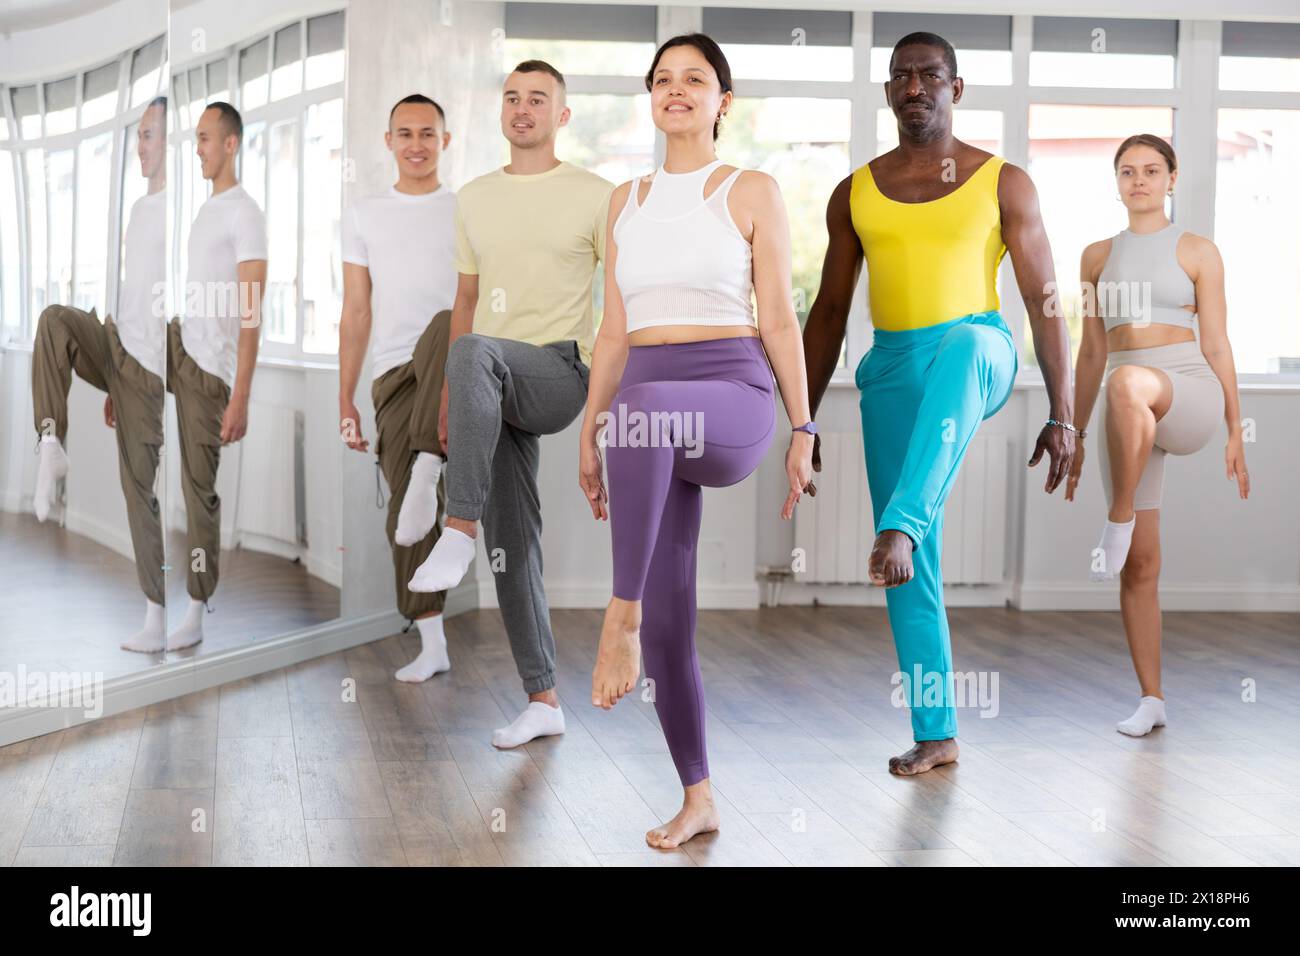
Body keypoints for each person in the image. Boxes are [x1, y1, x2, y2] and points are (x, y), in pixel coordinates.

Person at [802, 31, 1076, 775]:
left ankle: (902, 523)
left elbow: (1045, 302)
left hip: (979, 349)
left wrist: (1064, 413)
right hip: (890, 368)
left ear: (959, 86)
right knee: (909, 570)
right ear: (888, 91)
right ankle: (937, 732)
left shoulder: (1003, 181)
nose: (915, 87)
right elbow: (828, 311)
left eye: (930, 75)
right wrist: (800, 416)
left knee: (958, 356)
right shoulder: (853, 190)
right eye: (901, 77)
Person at [578, 33, 815, 850]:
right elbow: (613, 332)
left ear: (724, 101)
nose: (676, 90)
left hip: (733, 396)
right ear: (651, 97)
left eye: (696, 80)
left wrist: (803, 425)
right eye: (663, 80)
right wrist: (588, 431)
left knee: (640, 415)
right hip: (645, 415)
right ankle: (698, 796)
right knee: (674, 622)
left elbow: (780, 317)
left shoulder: (748, 190)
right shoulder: (624, 199)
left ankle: (617, 616)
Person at [405, 61, 612, 749]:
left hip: (555, 370)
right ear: (501, 112)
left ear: (563, 116)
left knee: (473, 352)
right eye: (512, 98)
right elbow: (465, 300)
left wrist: (603, 413)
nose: (523, 109)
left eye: (539, 100)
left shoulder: (597, 195)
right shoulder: (475, 197)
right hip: (485, 383)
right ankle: (544, 699)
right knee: (514, 543)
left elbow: (620, 308)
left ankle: (453, 527)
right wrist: (449, 399)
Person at [1066, 134, 1249, 737]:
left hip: (1188, 392)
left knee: (1130, 383)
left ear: (1172, 178)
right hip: (1128, 410)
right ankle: (1151, 700)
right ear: (1116, 183)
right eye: (1126, 171)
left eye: (1150, 170)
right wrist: (1075, 431)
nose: (1138, 180)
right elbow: (1092, 351)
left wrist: (1233, 429)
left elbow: (1217, 342)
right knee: (1140, 566)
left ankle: (1116, 520)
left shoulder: (1197, 250)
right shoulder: (1096, 256)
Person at [30, 97, 168, 651]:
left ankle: (156, 616)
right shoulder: (139, 210)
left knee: (138, 487)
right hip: (113, 339)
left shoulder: (186, 213)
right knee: (53, 321)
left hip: (147, 364)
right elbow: (132, 291)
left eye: (150, 135)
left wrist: (138, 374)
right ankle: (48, 443)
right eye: (138, 135)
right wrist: (110, 368)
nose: (141, 145)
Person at [339, 94, 458, 682]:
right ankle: (432, 643)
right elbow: (356, 312)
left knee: (443, 325)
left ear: (445, 141)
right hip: (392, 375)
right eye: (405, 133)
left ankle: (430, 464)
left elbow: (478, 297)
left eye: (427, 134)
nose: (416, 144)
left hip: (457, 365)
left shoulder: (465, 210)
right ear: (388, 141)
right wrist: (345, 400)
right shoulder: (364, 213)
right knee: (407, 519)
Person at [167, 100, 267, 650]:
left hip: (210, 375)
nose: (198, 148)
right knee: (112, 334)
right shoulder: (205, 210)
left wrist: (241, 398)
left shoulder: (243, 213)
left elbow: (251, 310)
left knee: (196, 491)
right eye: (196, 138)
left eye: (205, 138)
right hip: (181, 345)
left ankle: (196, 606)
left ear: (230, 143)